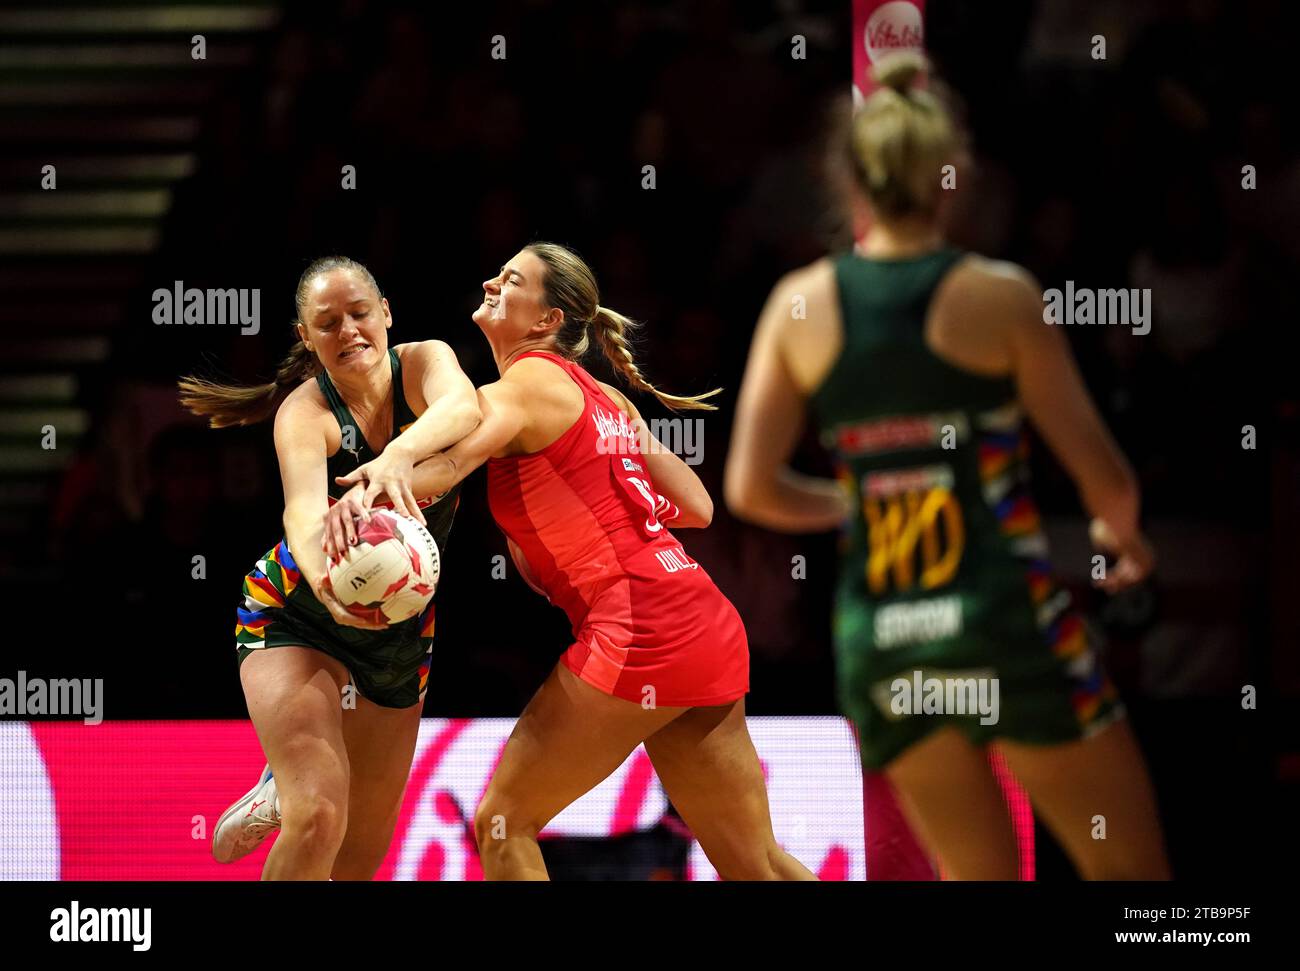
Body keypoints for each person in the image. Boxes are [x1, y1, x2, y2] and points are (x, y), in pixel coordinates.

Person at [723, 54, 1171, 880]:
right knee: (1138, 883)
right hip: (1004, 626)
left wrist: (856, 501)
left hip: (888, 641)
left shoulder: (800, 307)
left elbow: (750, 487)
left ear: (846, 180)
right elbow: (1106, 475)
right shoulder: (1000, 296)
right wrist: (1122, 532)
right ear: (951, 180)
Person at [330, 241, 817, 880]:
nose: (490, 283)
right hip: (698, 615)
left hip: (637, 628)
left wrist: (380, 479)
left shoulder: (526, 383)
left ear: (547, 321)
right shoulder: (609, 401)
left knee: (502, 824)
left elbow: (449, 466)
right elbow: (696, 507)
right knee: (759, 866)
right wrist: (618, 508)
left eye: (511, 281)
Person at [178, 255, 480, 880]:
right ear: (306, 337)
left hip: (399, 630)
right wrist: (328, 586)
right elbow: (303, 517)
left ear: (386, 313)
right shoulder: (304, 412)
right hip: (297, 615)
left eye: (359, 313)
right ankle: (292, 787)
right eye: (328, 322)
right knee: (318, 817)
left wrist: (394, 459)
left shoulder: (423, 364)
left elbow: (464, 410)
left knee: (357, 861)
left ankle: (279, 786)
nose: (348, 331)